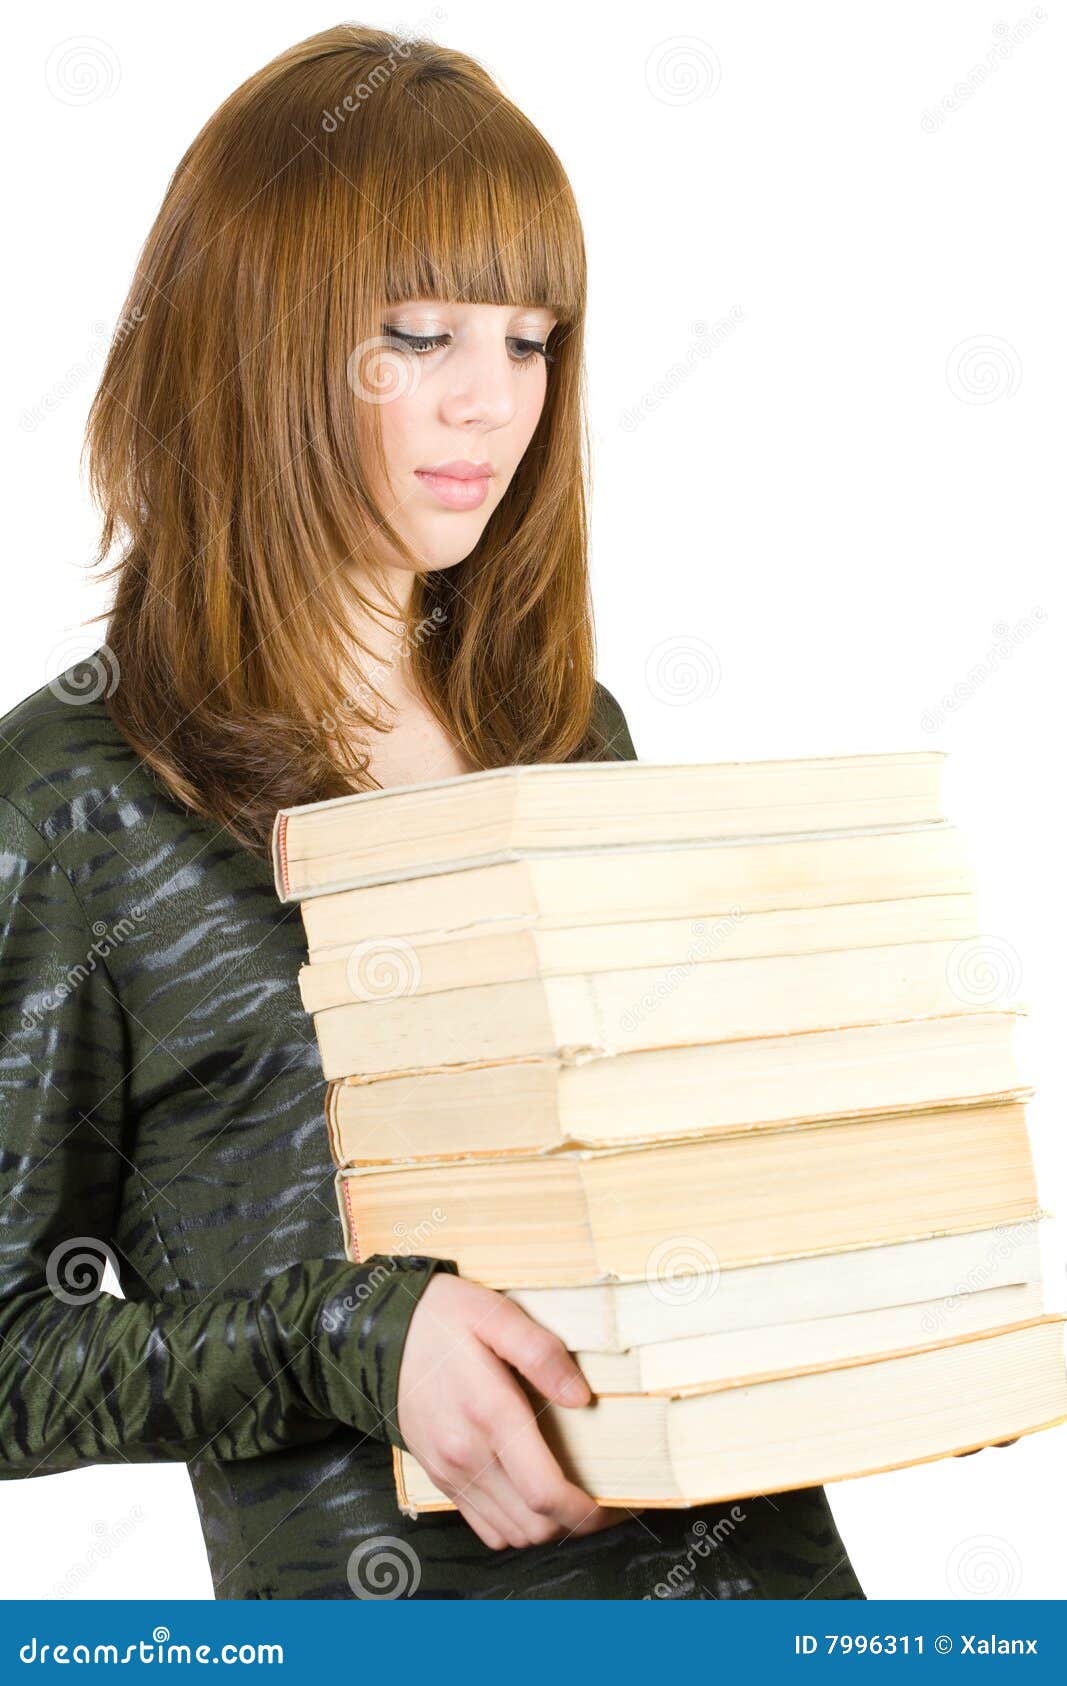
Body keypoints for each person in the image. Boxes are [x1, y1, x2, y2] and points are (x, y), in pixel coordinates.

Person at [0, 24, 865, 1599]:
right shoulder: (75, 800)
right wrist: (349, 1333)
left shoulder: (568, 734)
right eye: (418, 333)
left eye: (533, 341)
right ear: (257, 336)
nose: (493, 402)